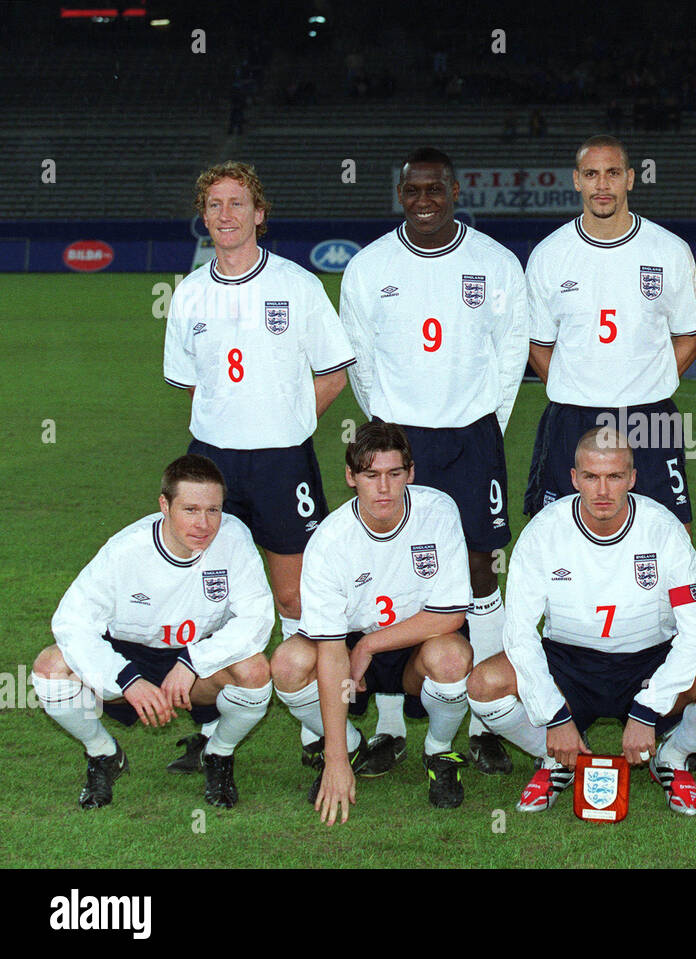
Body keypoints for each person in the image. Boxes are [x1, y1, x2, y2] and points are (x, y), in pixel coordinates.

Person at [340, 147, 527, 778]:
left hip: (472, 437)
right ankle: (391, 724)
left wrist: (486, 425)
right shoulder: (369, 267)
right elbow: (360, 358)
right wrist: (389, 429)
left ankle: (486, 715)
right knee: (395, 569)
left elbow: (511, 354)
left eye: (435, 190)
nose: (424, 201)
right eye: (413, 190)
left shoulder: (494, 262)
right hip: (400, 440)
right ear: (401, 193)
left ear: (454, 191)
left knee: (478, 568)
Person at [163, 161, 355, 767]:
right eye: (214, 204)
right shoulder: (189, 292)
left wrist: (288, 425)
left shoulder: (298, 285)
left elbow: (334, 372)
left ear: (259, 214)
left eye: (237, 203)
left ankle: (311, 723)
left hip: (283, 461)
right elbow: (193, 386)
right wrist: (231, 427)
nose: (225, 215)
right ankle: (211, 718)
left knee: (295, 592)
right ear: (205, 215)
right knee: (207, 590)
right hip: (211, 463)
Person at [467, 428, 696, 816]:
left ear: (632, 478)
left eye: (614, 477)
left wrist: (648, 709)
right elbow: (518, 635)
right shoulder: (543, 533)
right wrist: (555, 716)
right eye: (592, 477)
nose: (602, 490)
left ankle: (672, 757)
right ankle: (557, 759)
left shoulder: (664, 531)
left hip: (648, 661)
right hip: (568, 662)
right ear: (574, 478)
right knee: (483, 684)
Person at [35, 455, 274, 809]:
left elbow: (257, 617)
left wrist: (193, 660)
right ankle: (103, 754)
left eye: (213, 510)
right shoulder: (125, 550)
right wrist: (127, 678)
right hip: (128, 653)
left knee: (255, 671)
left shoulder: (234, 537)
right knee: (50, 668)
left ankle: (218, 754)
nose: (204, 524)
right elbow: (72, 622)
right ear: (164, 505)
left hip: (195, 661)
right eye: (190, 509)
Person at [269, 422, 474, 825]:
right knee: (288, 663)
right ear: (351, 477)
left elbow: (451, 614)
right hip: (348, 648)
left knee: (452, 658)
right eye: (371, 475)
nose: (384, 488)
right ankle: (348, 745)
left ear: (410, 473)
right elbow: (330, 652)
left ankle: (439, 751)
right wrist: (336, 761)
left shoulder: (438, 511)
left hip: (419, 638)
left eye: (394, 474)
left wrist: (370, 646)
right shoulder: (329, 542)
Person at [523, 135, 696, 532]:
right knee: (557, 530)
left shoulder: (668, 250)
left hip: (650, 416)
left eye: (612, 173)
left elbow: (689, 336)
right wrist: (576, 389)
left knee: (671, 530)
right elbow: (538, 344)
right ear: (576, 180)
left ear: (630, 179)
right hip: (572, 416)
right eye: (591, 174)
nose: (602, 185)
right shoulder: (549, 255)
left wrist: (648, 384)